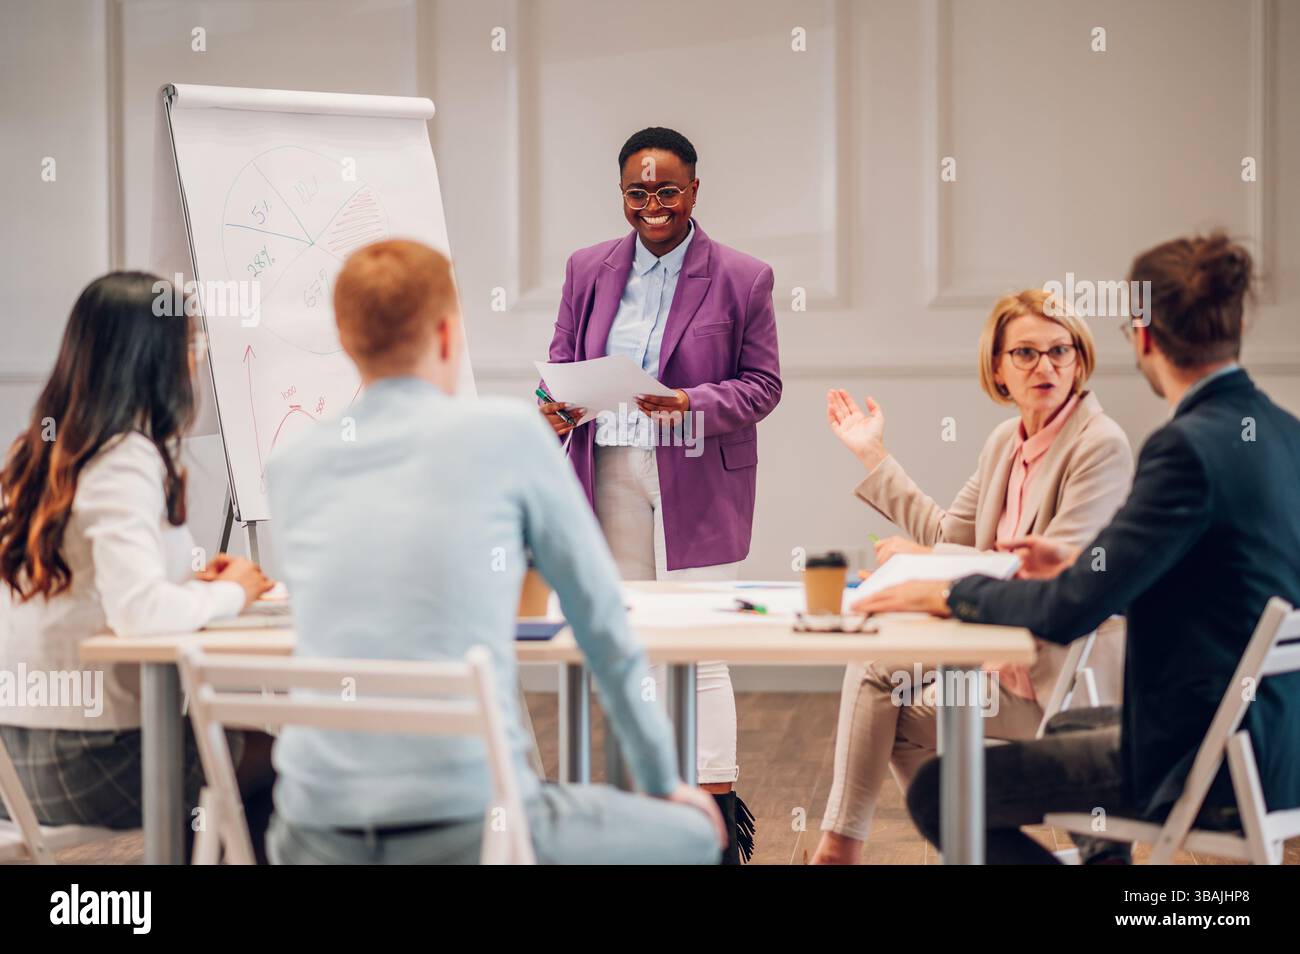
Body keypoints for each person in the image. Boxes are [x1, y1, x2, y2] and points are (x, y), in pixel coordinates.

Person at [264, 239, 724, 865]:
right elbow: (603, 626)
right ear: (450, 334)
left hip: (311, 834)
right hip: (477, 827)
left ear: (345, 340)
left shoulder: (293, 464)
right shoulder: (508, 434)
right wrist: (664, 784)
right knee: (697, 838)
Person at [854, 233, 1300, 863]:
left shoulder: (1183, 449)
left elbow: (1067, 613)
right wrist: (1075, 562)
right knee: (1072, 729)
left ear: (1141, 336)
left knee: (938, 791)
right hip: (1278, 745)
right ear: (1241, 323)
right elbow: (1226, 579)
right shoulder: (1283, 434)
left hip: (1201, 759)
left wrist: (949, 592)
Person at [811, 289, 1133, 864]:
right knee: (887, 689)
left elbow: (1059, 580)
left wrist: (936, 575)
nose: (1046, 366)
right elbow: (948, 538)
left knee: (884, 681)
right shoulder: (1004, 444)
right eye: (1026, 353)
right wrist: (873, 455)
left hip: (1067, 685)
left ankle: (855, 849)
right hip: (1003, 668)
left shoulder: (1099, 445)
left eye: (1061, 351)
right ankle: (926, 847)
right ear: (998, 369)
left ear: (1080, 360)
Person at [538, 126, 781, 861]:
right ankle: (645, 807)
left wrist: (690, 403)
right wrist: (558, 401)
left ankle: (714, 816)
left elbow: (763, 386)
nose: (653, 205)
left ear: (695, 192)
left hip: (694, 471)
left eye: (667, 191)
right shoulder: (588, 267)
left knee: (701, 644)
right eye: (637, 192)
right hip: (608, 463)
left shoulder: (743, 276)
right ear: (622, 195)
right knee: (627, 638)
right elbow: (560, 361)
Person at [0, 271, 275, 858]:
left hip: (15, 765)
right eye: (191, 346)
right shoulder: (125, 456)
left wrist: (187, 584)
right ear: (158, 361)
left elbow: (97, 585)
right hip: (87, 762)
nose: (196, 362)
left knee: (237, 760)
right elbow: (140, 614)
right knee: (280, 764)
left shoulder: (38, 451)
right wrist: (237, 593)